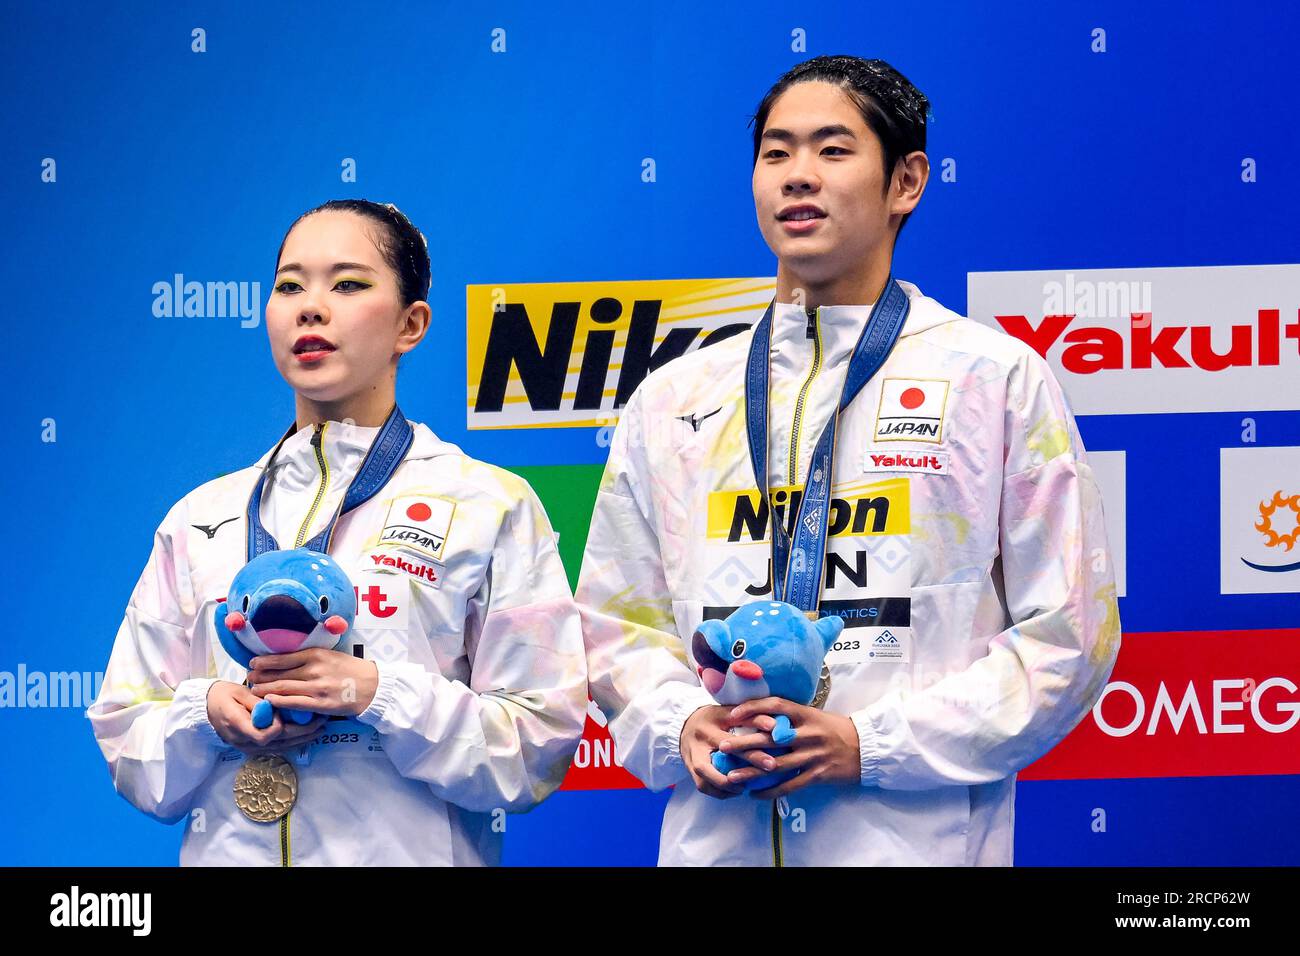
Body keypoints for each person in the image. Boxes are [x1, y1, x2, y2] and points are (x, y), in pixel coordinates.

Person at [576, 56, 1121, 865]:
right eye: (776, 153)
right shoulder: (673, 396)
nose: (799, 176)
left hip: (916, 842)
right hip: (714, 841)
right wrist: (679, 723)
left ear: (906, 181)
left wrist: (873, 745)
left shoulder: (992, 378)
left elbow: (1069, 635)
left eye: (833, 151)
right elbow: (620, 624)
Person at [88, 199, 587, 866]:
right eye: (290, 285)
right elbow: (128, 743)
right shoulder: (201, 517)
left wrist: (379, 693)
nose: (310, 307)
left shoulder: (487, 503)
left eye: (348, 284)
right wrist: (204, 712)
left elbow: (535, 746)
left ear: (411, 324)